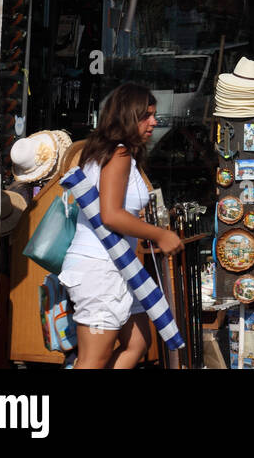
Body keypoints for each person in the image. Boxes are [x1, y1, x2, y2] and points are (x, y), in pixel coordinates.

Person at [60, 84, 182, 369]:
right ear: (128, 117)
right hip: (100, 268)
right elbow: (111, 215)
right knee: (93, 360)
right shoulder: (119, 155)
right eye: (146, 115)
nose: (154, 122)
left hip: (117, 266)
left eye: (154, 115)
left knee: (138, 344)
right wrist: (160, 234)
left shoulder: (113, 153)